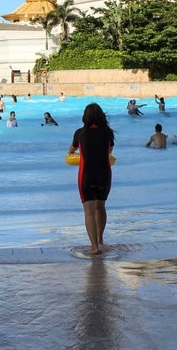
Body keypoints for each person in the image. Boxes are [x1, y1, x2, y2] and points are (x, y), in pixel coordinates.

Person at [67, 103, 115, 255]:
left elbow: (71, 150)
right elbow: (110, 150)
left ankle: (94, 247)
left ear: (85, 117)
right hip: (104, 174)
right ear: (101, 116)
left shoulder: (80, 133)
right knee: (101, 207)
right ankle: (100, 240)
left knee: (89, 212)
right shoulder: (108, 132)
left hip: (86, 174)